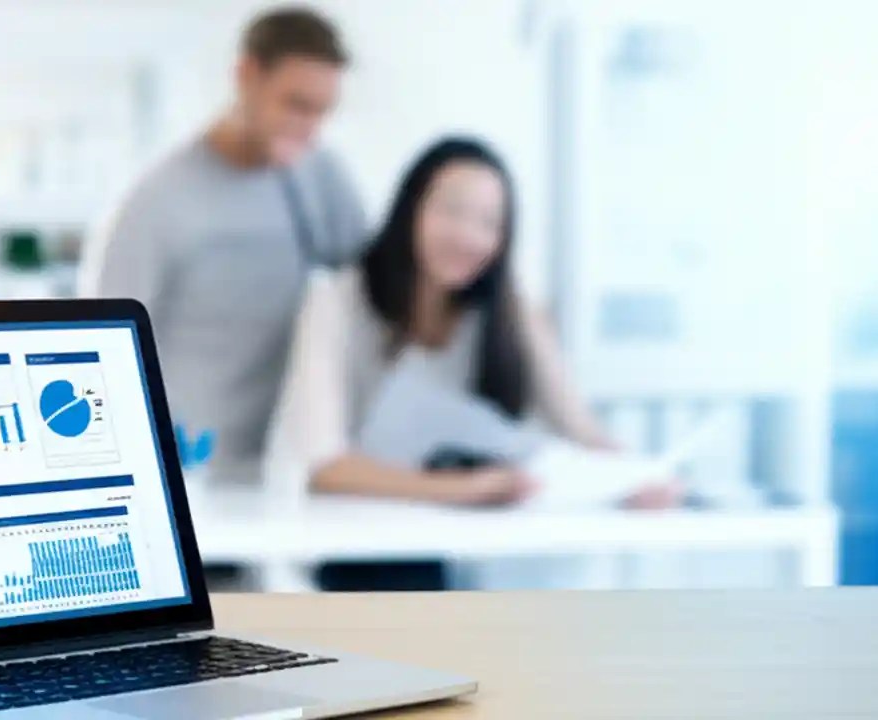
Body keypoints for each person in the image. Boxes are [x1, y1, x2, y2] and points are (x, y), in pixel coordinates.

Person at [267, 137, 679, 509]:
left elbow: (581, 430)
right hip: (356, 546)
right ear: (412, 209)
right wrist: (464, 488)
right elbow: (323, 466)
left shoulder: (511, 312)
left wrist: (638, 477)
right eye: (453, 211)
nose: (468, 236)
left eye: (489, 223)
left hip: (473, 546)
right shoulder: (337, 301)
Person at [80, 6, 367, 479]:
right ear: (247, 76)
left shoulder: (320, 178)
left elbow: (377, 287)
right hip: (176, 464)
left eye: (322, 112)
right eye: (295, 104)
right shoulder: (156, 202)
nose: (308, 127)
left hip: (268, 468)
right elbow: (101, 352)